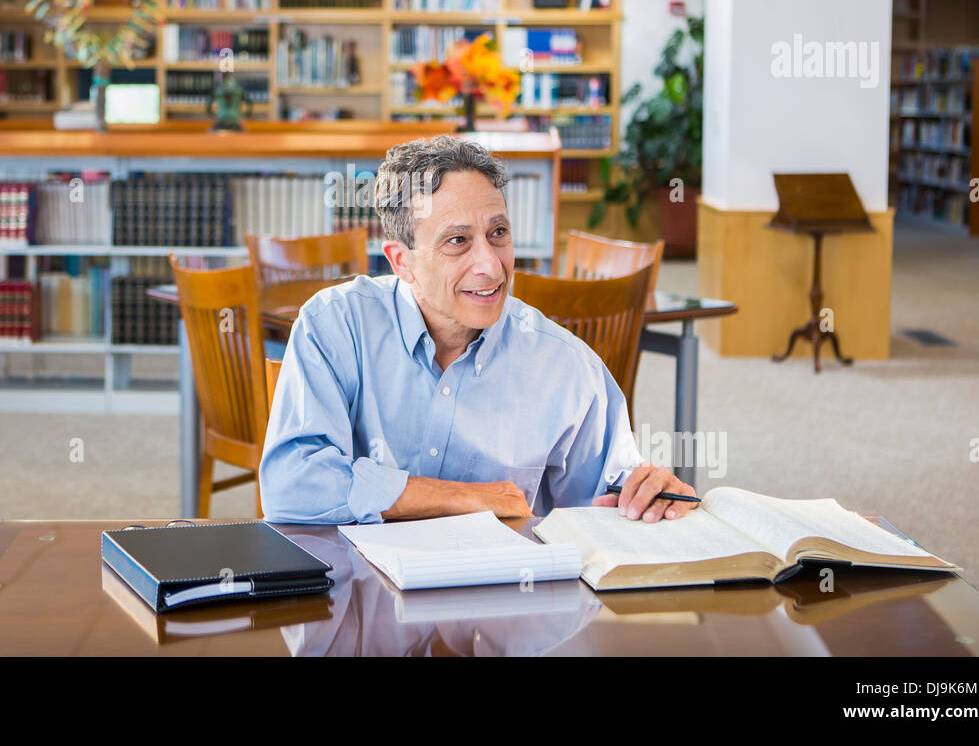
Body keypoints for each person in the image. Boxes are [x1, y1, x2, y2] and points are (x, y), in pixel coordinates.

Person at [259, 135, 698, 524]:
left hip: (502, 605)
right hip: (362, 602)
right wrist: (468, 498)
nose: (491, 266)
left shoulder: (566, 364)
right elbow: (291, 483)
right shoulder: (335, 324)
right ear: (401, 262)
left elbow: (611, 496)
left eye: (499, 232)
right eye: (458, 241)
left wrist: (650, 496)